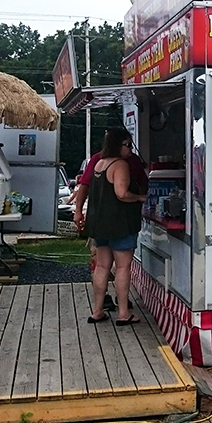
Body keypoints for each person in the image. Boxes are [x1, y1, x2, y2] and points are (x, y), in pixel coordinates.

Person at [74, 128, 148, 311]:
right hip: (120, 222)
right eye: (127, 144)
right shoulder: (121, 164)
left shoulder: (98, 162)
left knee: (101, 266)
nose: (131, 148)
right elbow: (122, 193)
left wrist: (79, 211)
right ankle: (123, 312)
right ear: (117, 145)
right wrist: (139, 198)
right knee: (122, 267)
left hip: (99, 223)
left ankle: (97, 310)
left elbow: (85, 185)